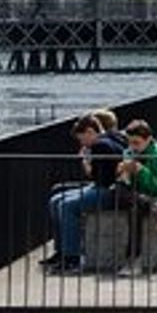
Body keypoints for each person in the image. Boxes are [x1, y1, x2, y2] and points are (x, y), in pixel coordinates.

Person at [43, 114, 127, 274]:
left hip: (108, 192)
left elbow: (97, 177)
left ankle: (71, 258)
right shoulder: (112, 137)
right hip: (109, 188)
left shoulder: (100, 146)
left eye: (82, 139)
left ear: (90, 131)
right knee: (56, 199)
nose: (82, 143)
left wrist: (85, 160)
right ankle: (61, 252)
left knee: (66, 206)